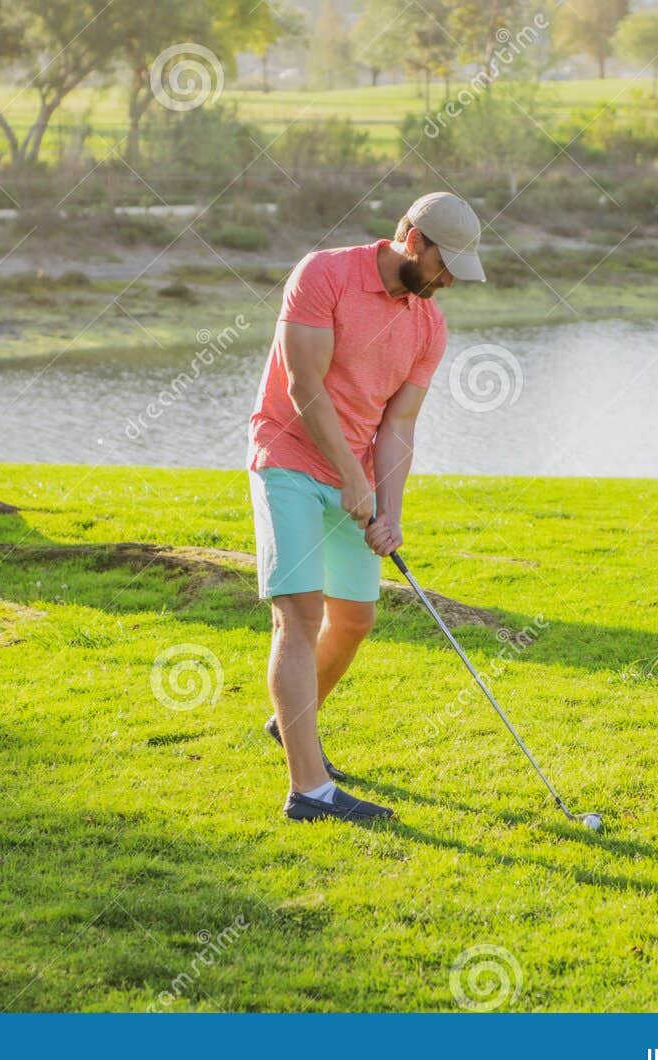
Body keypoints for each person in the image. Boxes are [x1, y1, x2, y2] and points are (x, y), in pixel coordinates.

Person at [246, 192, 485, 823]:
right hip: (290, 457)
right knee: (298, 617)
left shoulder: (428, 323)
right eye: (443, 263)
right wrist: (353, 479)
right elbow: (303, 386)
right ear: (412, 239)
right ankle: (309, 791)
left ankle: (288, 723)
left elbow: (399, 424)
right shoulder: (323, 274)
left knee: (352, 621)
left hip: (353, 474)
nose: (447, 280)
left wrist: (389, 512)